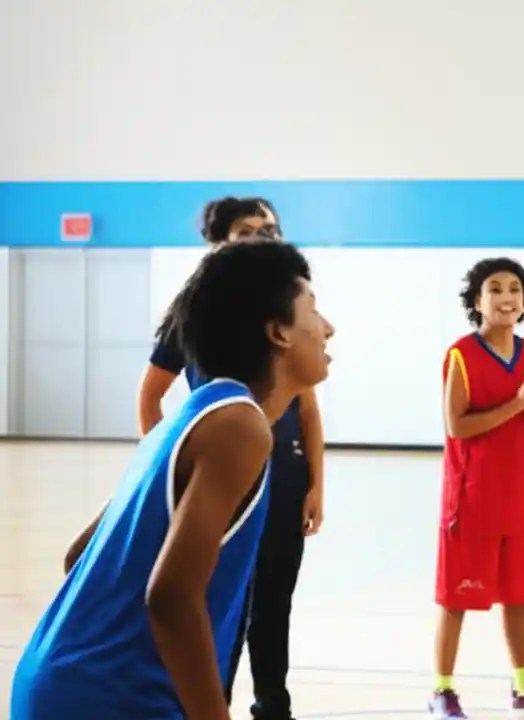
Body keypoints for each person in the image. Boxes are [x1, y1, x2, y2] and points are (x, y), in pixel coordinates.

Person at [10, 239, 334, 720]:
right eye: (313, 310)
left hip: (56, 681)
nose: (328, 328)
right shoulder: (238, 426)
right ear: (278, 333)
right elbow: (171, 596)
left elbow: (79, 554)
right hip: (108, 701)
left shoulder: (188, 416)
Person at [138, 196, 325, 720]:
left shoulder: (287, 317)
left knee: (273, 603)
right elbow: (149, 395)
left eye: (272, 229)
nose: (264, 237)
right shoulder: (199, 319)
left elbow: (309, 409)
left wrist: (316, 483)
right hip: (226, 473)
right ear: (218, 241)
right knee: (218, 602)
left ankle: (273, 705)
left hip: (282, 475)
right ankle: (208, 698)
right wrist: (166, 473)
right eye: (249, 231)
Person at [433, 257, 524, 719]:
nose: (506, 297)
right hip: (469, 499)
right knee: (456, 599)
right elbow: (458, 426)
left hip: (514, 496)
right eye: (495, 289)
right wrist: (520, 402)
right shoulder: (461, 355)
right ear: (477, 302)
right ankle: (442, 690)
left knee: (518, 594)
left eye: (514, 289)